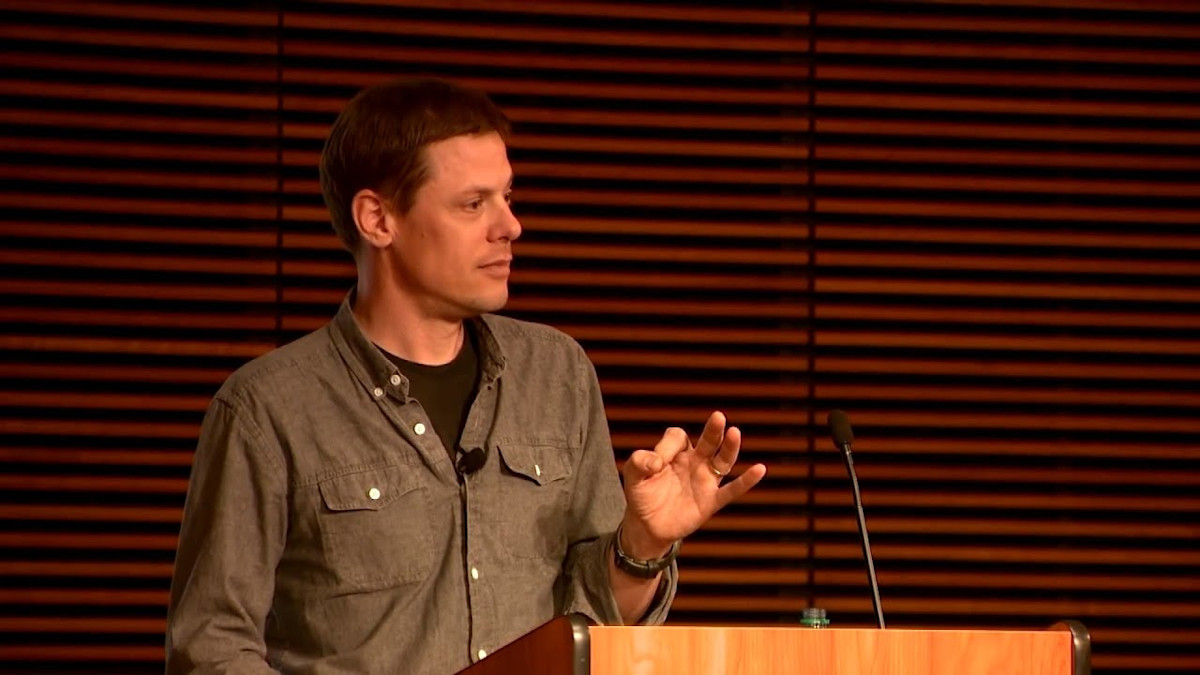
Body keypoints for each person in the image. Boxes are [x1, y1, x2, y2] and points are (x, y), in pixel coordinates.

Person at [166, 77, 767, 674]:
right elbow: (212, 652)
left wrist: (642, 545)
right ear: (378, 220)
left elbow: (590, 626)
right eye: (473, 203)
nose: (509, 226)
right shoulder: (266, 409)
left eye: (508, 196)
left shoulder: (557, 374)